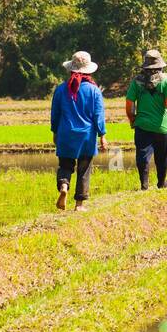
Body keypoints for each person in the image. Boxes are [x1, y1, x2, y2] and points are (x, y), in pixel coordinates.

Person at [50, 51, 106, 212]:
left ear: (71, 70)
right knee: (84, 169)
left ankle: (64, 186)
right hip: (86, 136)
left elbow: (55, 114)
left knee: (65, 165)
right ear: (89, 70)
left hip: (66, 134)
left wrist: (55, 132)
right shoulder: (94, 91)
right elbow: (98, 115)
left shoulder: (61, 90)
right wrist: (102, 134)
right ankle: (79, 204)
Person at [125, 49, 167, 190]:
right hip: (162, 127)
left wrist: (133, 119)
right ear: (160, 65)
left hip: (142, 125)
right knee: (162, 157)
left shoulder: (137, 82)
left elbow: (129, 103)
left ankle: (144, 185)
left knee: (142, 155)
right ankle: (161, 183)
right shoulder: (166, 80)